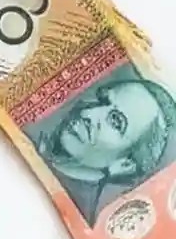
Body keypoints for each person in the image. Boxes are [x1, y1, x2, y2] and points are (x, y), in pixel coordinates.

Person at [37, 78, 176, 226]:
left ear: (126, 164)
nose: (88, 113)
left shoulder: (80, 217)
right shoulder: (37, 137)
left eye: (115, 122)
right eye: (102, 100)